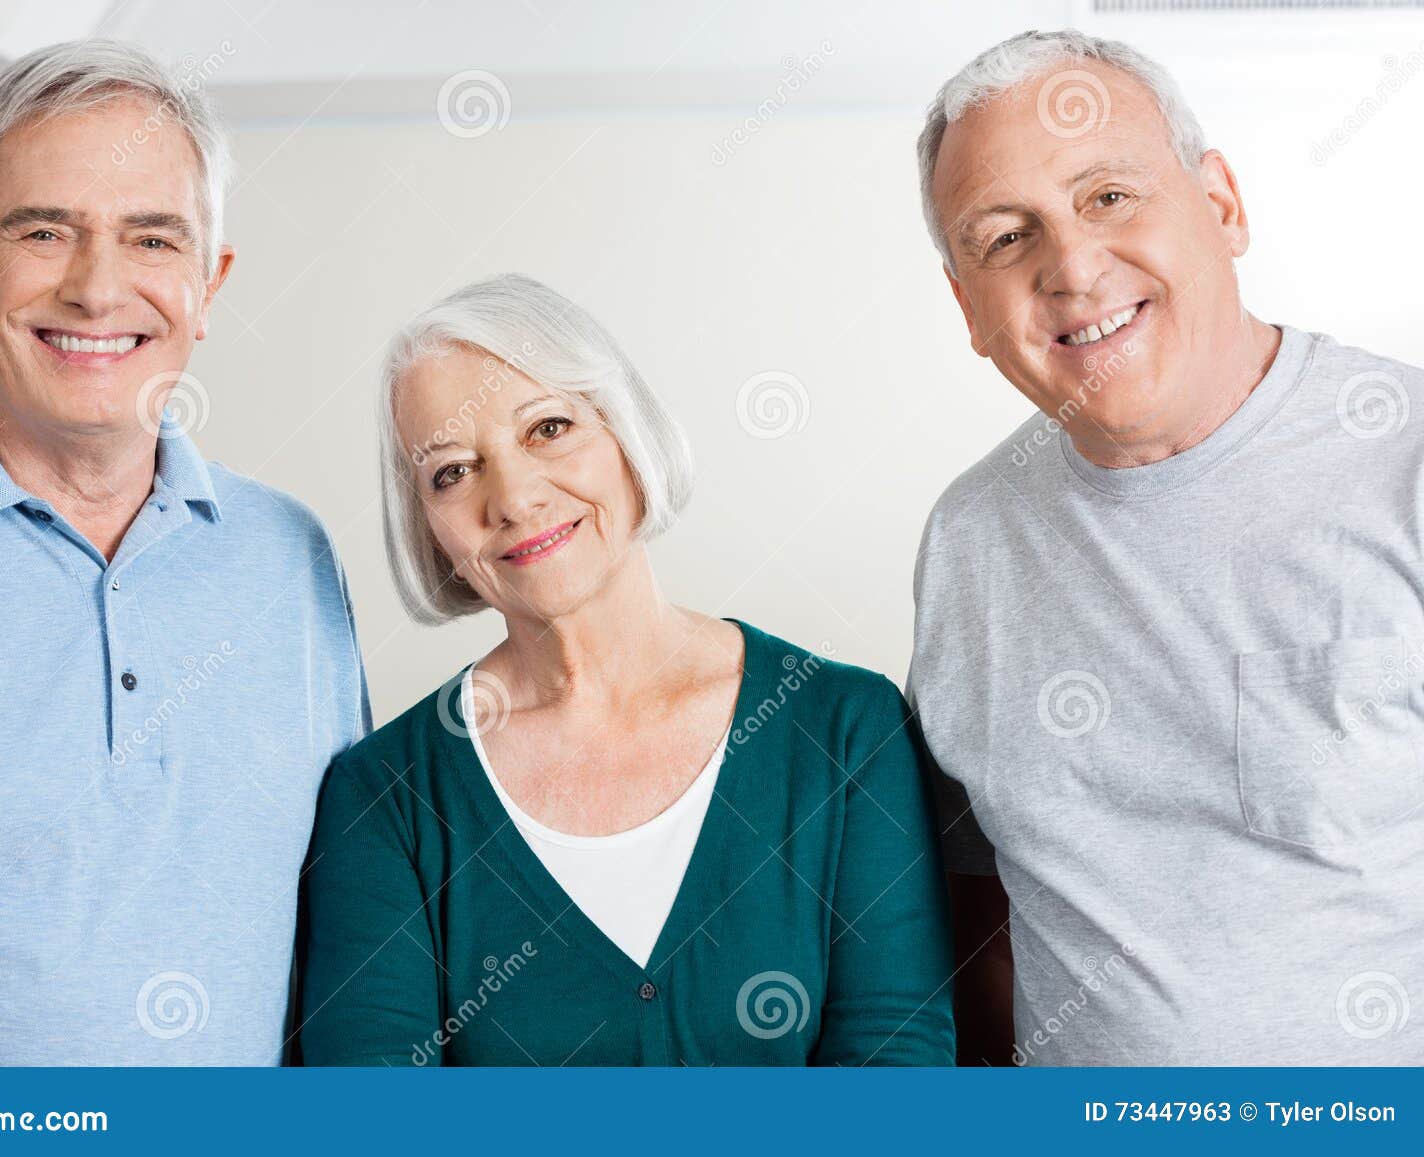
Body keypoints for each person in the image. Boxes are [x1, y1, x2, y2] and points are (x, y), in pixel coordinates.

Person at [0, 40, 369, 1065]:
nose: (96, 288)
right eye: (44, 230)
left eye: (152, 240)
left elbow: (338, 939)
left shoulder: (291, 559)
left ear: (210, 285)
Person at [910, 29, 1423, 1065]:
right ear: (968, 309)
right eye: (1004, 237)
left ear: (1221, 207)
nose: (1071, 266)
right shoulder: (969, 537)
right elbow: (976, 903)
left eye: (1107, 195)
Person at [297, 274, 952, 1065]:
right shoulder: (385, 799)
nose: (513, 496)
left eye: (547, 427)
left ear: (626, 434)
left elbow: (896, 1074)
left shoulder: (846, 728)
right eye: (452, 470)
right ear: (428, 526)